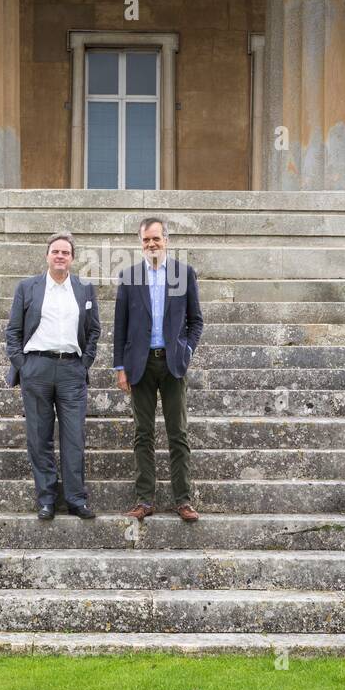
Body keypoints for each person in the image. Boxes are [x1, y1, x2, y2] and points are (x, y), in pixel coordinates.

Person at [112, 217, 205, 522]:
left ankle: (183, 500)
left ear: (166, 240)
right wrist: (120, 367)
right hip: (139, 364)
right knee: (143, 433)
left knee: (178, 433)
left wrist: (186, 350)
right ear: (141, 243)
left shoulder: (183, 273)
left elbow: (196, 321)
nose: (151, 244)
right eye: (146, 240)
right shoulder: (129, 276)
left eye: (156, 239)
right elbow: (120, 326)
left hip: (172, 363)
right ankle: (144, 500)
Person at [4, 232, 101, 520]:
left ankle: (75, 499)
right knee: (39, 437)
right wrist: (22, 364)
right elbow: (13, 331)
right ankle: (46, 499)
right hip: (37, 368)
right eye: (55, 251)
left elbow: (94, 330)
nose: (60, 256)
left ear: (72, 258)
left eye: (66, 252)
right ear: (47, 256)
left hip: (72, 369)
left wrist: (85, 363)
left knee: (74, 436)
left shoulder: (84, 288)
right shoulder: (28, 287)